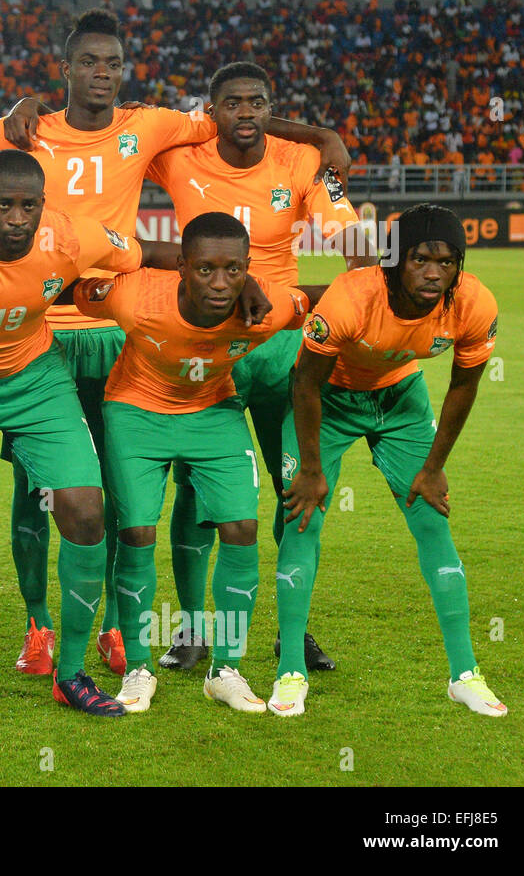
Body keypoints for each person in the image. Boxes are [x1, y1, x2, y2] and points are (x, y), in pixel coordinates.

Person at [0, 10, 349, 679]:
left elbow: (238, 119)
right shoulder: (25, 127)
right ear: (65, 68)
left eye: (114, 64)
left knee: (115, 492)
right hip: (43, 331)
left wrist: (322, 135)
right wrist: (19, 104)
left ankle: (120, 630)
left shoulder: (148, 126)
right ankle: (39, 626)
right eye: (90, 62)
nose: (104, 73)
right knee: (35, 488)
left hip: (115, 330)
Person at [0, 149, 263, 719]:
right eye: (4, 205)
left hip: (37, 376)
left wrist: (243, 274)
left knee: (86, 510)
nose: (17, 218)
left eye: (29, 206)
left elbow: (159, 253)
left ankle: (70, 672)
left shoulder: (68, 235)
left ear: (44, 205)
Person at [144, 61, 374, 672]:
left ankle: (293, 631)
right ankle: (193, 630)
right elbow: (119, 147)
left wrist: (322, 144)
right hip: (203, 343)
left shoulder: (299, 162)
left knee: (297, 488)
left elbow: (347, 235)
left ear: (271, 108)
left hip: (280, 350)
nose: (246, 113)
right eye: (233, 103)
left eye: (258, 103)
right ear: (211, 110)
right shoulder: (180, 154)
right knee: (195, 491)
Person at [73, 212, 319, 713]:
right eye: (205, 269)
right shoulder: (136, 297)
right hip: (135, 410)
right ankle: (138, 667)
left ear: (249, 268)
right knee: (137, 531)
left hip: (213, 409)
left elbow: (326, 296)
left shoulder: (266, 306)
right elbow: (72, 289)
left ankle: (224, 669)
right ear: (180, 266)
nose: (221, 283)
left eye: (234, 271)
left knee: (242, 528)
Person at [274, 203, 506, 718]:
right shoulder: (351, 298)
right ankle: (291, 669)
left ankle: (464, 673)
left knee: (432, 520)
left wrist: (434, 465)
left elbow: (464, 386)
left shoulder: (473, 304)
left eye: (447, 263)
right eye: (421, 259)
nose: (434, 273)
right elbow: (305, 381)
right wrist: (311, 471)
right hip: (328, 399)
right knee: (302, 520)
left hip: (400, 400)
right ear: (395, 260)